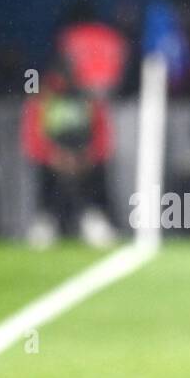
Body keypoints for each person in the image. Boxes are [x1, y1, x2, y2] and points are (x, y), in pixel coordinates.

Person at [21, 71, 116, 248]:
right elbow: (33, 135)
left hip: (84, 157)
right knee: (45, 177)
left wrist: (88, 155)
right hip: (52, 159)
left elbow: (102, 133)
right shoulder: (44, 101)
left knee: (98, 175)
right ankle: (45, 221)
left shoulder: (89, 100)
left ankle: (93, 218)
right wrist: (52, 155)